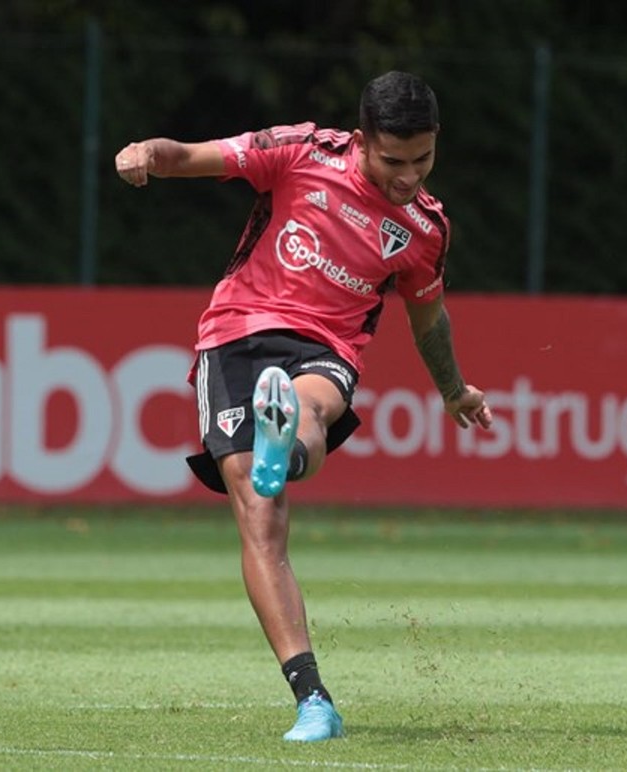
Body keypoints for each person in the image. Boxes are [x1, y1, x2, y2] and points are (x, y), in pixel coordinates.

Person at [114, 71, 493, 742]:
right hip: (234, 334)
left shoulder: (424, 227)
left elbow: (428, 321)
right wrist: (147, 152)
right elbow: (197, 156)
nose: (409, 176)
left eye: (423, 159)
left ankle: (283, 433)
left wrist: (454, 389)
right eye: (393, 160)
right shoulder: (303, 152)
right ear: (361, 139)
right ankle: (312, 697)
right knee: (260, 516)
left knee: (310, 408)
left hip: (327, 346)